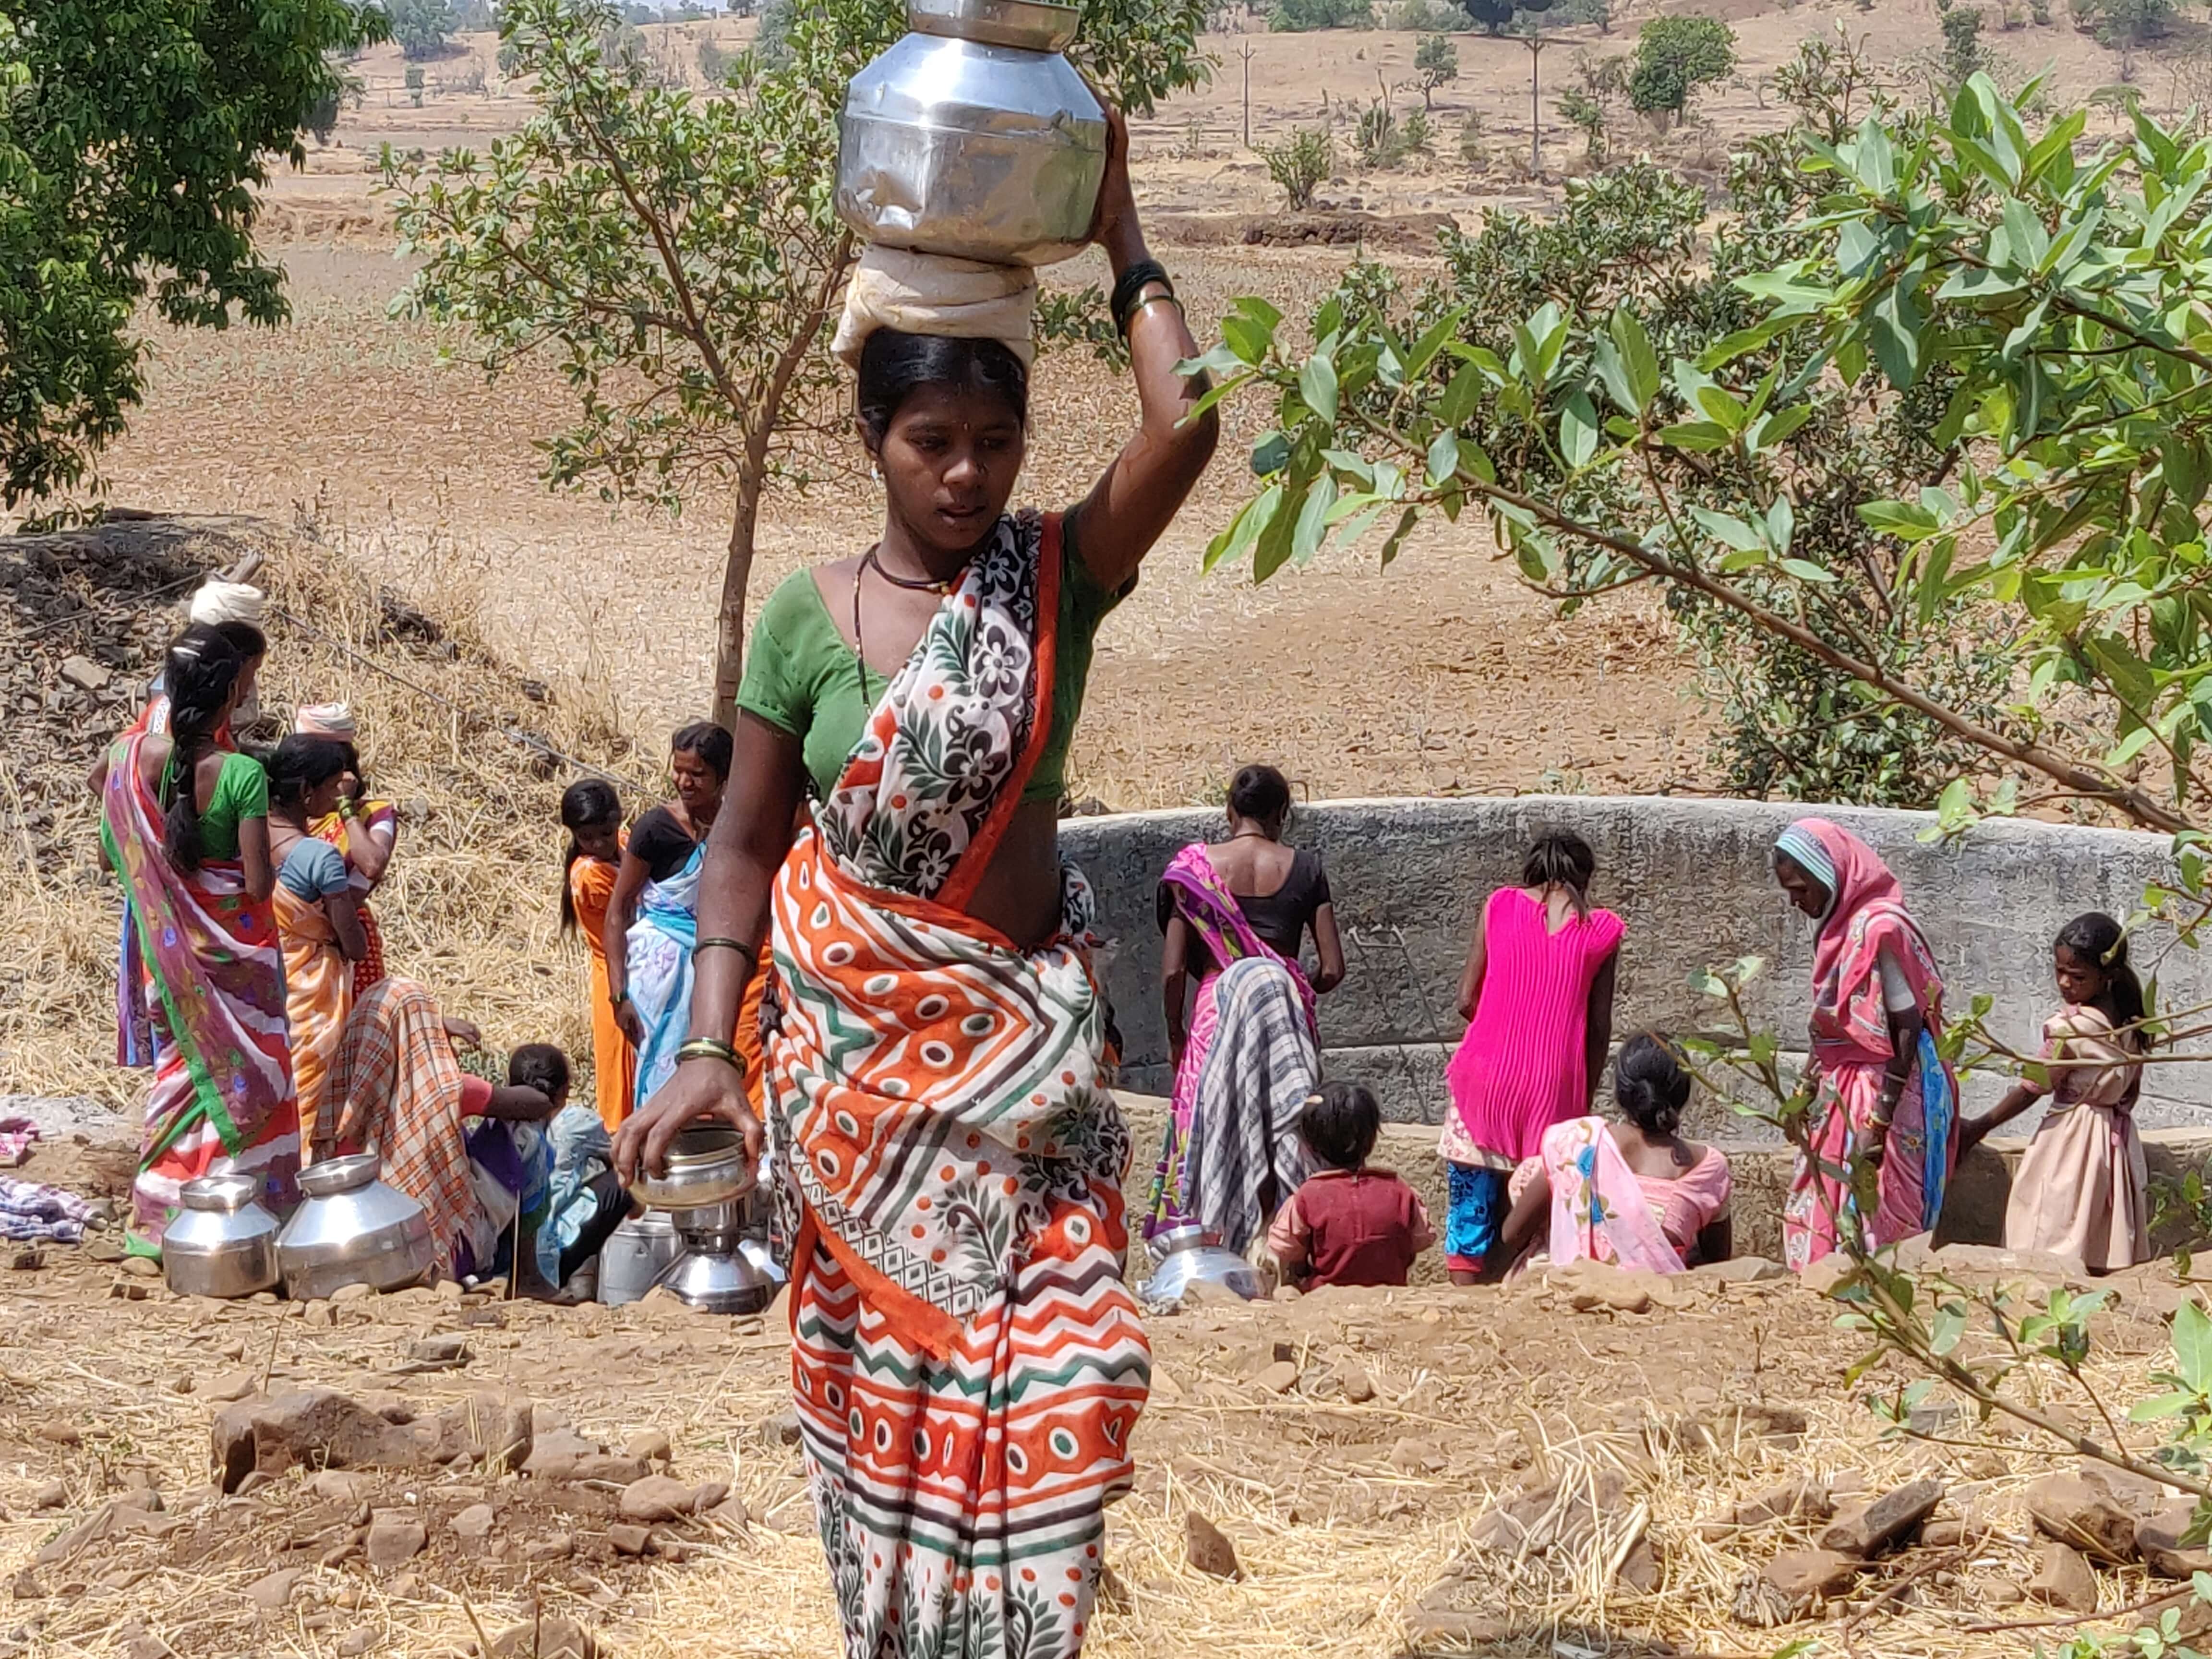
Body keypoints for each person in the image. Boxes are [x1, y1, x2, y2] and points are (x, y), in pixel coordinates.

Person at [613, 103, 1213, 1659]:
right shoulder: (805, 624)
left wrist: (1121, 229)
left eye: (993, 443)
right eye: (928, 441)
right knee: (890, 1437)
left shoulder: (1055, 579)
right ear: (869, 437)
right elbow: (741, 843)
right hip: (851, 1082)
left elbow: (1194, 427)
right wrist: (702, 1043)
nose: (963, 474)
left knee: (1061, 1401)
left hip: (1022, 1090)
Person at [99, 626, 298, 1250]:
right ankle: (249, 1226)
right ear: (234, 692)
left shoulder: (130, 758)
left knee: (178, 1077)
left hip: (172, 961)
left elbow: (112, 843)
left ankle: (158, 1227)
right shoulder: (242, 772)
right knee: (256, 1080)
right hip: (242, 967)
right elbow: (261, 884)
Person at [1146, 763, 1344, 1251]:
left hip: (1217, 1009)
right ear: (1282, 812)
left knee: (1209, 1124)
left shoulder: (1194, 871)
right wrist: (1291, 989)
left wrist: (1177, 1035)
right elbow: (1333, 968)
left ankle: (1209, 1243)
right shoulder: (1306, 867)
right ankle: (1285, 1246)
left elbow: (1173, 973)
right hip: (1285, 1011)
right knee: (1290, 1126)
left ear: (1230, 810)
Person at [1772, 817, 1960, 1270]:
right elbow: (1832, 1021)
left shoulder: (1880, 930)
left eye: (1801, 889)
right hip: (1849, 1081)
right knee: (1824, 1188)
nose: (1798, 902)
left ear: (1830, 873)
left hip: (1887, 1085)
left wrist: (1879, 1120)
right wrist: (1804, 1092)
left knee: (1879, 1202)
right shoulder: (1840, 930)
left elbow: (1907, 1025)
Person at [98, 583, 270, 1071]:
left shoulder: (191, 715)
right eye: (250, 674)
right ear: (230, 676)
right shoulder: (168, 719)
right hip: (176, 894)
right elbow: (129, 776)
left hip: (180, 884)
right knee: (187, 1027)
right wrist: (150, 834)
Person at [1439, 831, 1623, 1284]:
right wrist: (1582, 1093)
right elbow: (1599, 1029)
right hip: (1552, 1085)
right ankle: (1518, 1288)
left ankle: (1463, 1301)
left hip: (1481, 1077)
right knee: (1537, 1211)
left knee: (1471, 1208)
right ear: (1584, 879)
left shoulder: (1499, 905)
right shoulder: (1601, 929)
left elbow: (1466, 999)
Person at [318, 978, 564, 1285]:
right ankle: (525, 1273)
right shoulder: (444, 1089)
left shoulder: (341, 1095)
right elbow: (536, 1103)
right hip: (436, 1254)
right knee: (525, 1135)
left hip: (360, 1252)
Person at [1961, 914, 2150, 1271]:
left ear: (2106, 976)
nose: (2065, 983)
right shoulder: (2134, 1024)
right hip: (2115, 1143)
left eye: (2077, 977)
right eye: (2059, 971)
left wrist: (1979, 1126)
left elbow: (2034, 1086)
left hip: (2069, 1139)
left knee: (2047, 1228)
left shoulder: (2070, 1029)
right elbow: (2131, 1091)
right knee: (2097, 1234)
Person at [1493, 1033, 1733, 1275]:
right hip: (1659, 1297)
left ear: (1622, 1091)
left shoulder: (1578, 1143)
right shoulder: (1710, 1167)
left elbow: (1512, 1234)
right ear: (1683, 1093)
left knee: (1536, 1174)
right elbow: (1718, 1262)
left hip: (1574, 1293)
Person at [603, 723, 732, 1117]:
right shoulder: (655, 829)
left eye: (697, 774)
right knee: (658, 1066)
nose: (684, 782)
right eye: (678, 770)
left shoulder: (736, 829)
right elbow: (618, 909)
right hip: (656, 973)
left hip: (713, 964)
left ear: (724, 777)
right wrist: (619, 994)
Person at [267, 735, 372, 1153]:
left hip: (269, 981)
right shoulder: (319, 857)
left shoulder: (251, 838)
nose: (336, 797)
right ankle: (306, 1178)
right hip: (312, 994)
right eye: (331, 789)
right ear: (306, 792)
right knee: (312, 1095)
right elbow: (355, 944)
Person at [1264, 1082, 1434, 1290]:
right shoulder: (1401, 1192)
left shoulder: (1306, 1198)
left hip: (1325, 1300)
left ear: (1310, 1146)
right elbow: (1423, 1239)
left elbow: (1283, 1247)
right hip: (1392, 1298)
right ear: (1372, 1139)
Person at [511, 1043, 637, 1293]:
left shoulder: (503, 1125)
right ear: (566, 1088)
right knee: (622, 1182)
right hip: (555, 1251)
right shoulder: (578, 1121)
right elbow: (617, 1156)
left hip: (504, 1258)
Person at [298, 704, 401, 993]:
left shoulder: (375, 814)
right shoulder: (294, 816)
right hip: (296, 939)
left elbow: (371, 864)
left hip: (346, 941)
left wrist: (345, 806)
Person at [558, 779, 637, 1131]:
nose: (599, 844)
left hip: (637, 965)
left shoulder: (623, 843)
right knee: (622, 1071)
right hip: (618, 976)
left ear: (618, 820)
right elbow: (631, 915)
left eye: (606, 833)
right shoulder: (590, 875)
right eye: (588, 838)